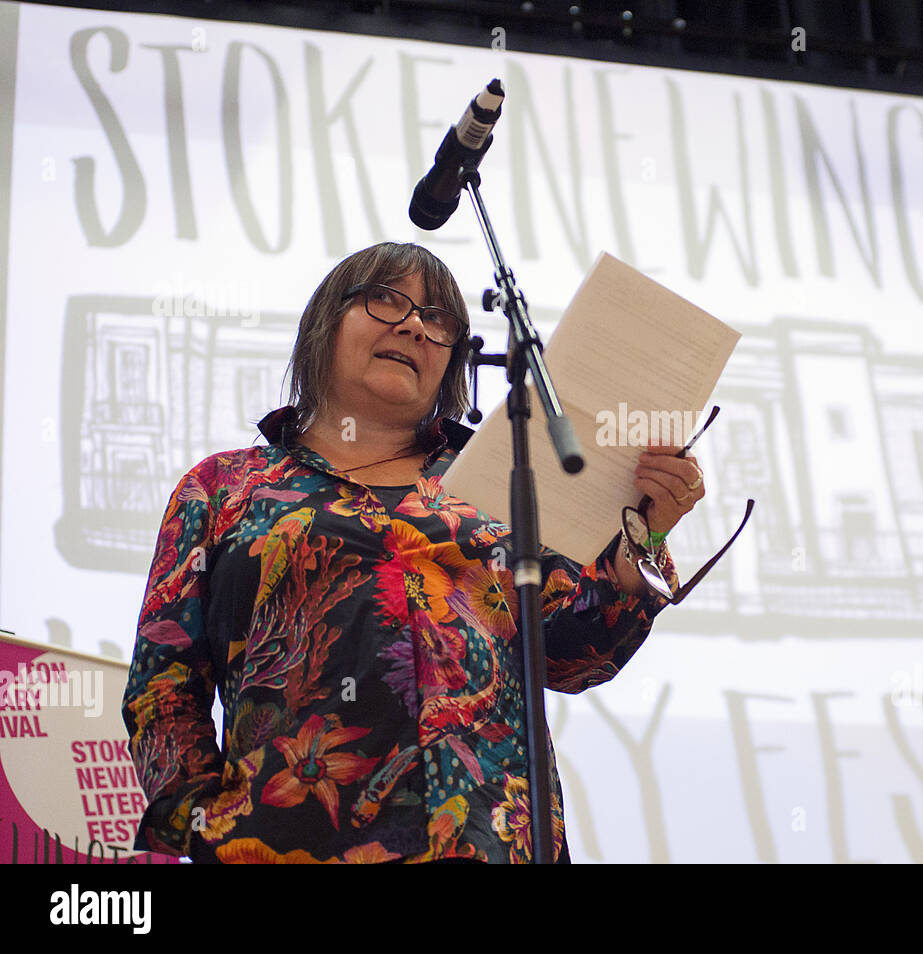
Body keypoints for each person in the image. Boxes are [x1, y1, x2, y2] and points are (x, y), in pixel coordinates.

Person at [122, 242, 705, 863]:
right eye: (385, 299)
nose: (413, 325)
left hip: (484, 843)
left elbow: (573, 658)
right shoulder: (223, 490)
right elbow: (165, 688)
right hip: (283, 844)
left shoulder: (502, 484)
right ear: (325, 323)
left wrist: (648, 529)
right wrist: (205, 821)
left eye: (439, 319)